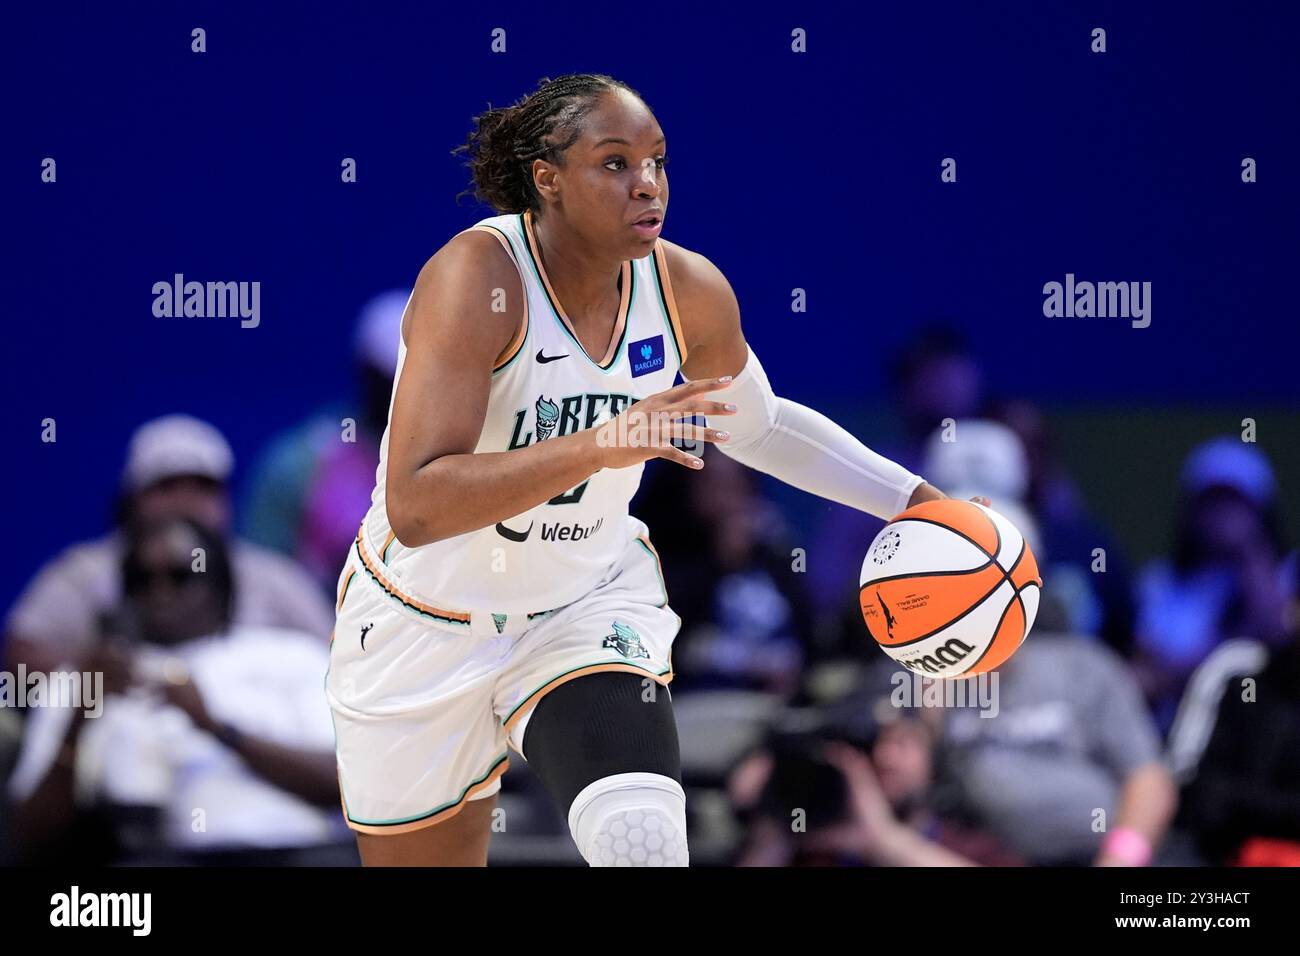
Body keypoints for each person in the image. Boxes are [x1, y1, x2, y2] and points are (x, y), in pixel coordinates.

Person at [325, 73, 983, 867]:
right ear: (548, 180)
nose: (648, 184)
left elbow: (762, 428)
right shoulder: (479, 280)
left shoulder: (686, 291)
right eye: (614, 163)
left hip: (582, 604)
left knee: (643, 847)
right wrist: (602, 443)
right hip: (420, 617)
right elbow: (418, 504)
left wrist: (912, 499)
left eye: (658, 161)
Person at [7, 517, 347, 865]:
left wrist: (213, 726)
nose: (161, 593)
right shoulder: (90, 678)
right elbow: (31, 840)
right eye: (143, 580)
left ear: (219, 584)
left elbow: (348, 787)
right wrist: (80, 717)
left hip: (302, 853)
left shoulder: (291, 657)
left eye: (180, 576)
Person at [4, 415, 335, 676]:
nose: (186, 502)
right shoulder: (86, 572)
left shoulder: (272, 577)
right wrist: (102, 685)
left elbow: (336, 656)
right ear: (132, 498)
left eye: (203, 488)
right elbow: (23, 657)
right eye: (167, 487)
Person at [241, 290, 409, 593]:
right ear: (369, 375)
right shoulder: (298, 465)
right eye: (397, 378)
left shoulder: (477, 452)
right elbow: (259, 578)